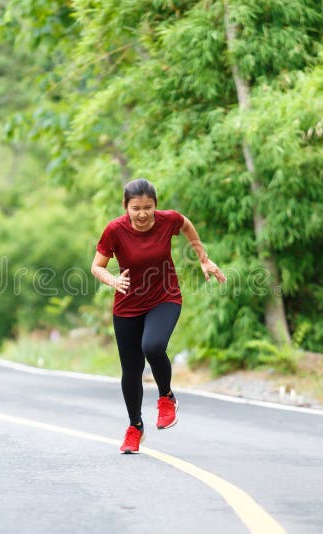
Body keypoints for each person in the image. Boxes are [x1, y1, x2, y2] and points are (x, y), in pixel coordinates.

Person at [91, 178, 227, 454]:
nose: (142, 214)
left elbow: (186, 224)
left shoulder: (167, 221)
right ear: (125, 206)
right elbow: (97, 266)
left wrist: (202, 256)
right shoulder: (114, 230)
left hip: (164, 297)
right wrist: (112, 280)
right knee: (131, 370)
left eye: (148, 207)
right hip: (127, 305)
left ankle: (166, 397)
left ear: (156, 206)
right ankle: (135, 428)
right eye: (136, 208)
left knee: (152, 346)